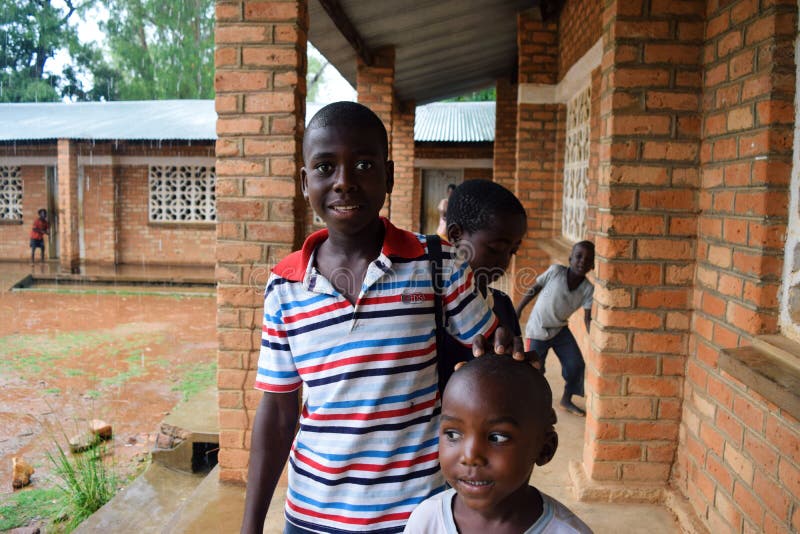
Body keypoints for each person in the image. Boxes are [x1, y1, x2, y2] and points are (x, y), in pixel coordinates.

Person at [241, 102, 523, 534]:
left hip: (418, 515)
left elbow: (491, 357)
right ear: (304, 181)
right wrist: (250, 525)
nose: (344, 182)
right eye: (325, 167)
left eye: (364, 164)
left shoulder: (437, 264)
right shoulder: (285, 287)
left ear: (389, 176)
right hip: (312, 515)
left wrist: (514, 367)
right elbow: (279, 411)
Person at [404, 355, 593, 534]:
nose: (470, 456)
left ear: (545, 449)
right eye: (453, 434)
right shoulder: (426, 521)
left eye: (497, 438)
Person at [438, 179, 529, 389]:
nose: (505, 261)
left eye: (513, 251)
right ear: (455, 236)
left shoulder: (502, 306)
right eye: (496, 248)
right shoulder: (426, 311)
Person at [515, 241, 595, 416]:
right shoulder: (555, 272)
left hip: (559, 330)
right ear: (570, 258)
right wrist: (519, 309)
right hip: (538, 328)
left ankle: (566, 399)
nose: (582, 261)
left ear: (593, 265)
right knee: (534, 369)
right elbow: (534, 288)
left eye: (588, 259)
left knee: (575, 364)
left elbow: (588, 319)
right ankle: (531, 404)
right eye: (579, 256)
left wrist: (594, 338)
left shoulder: (588, 289)